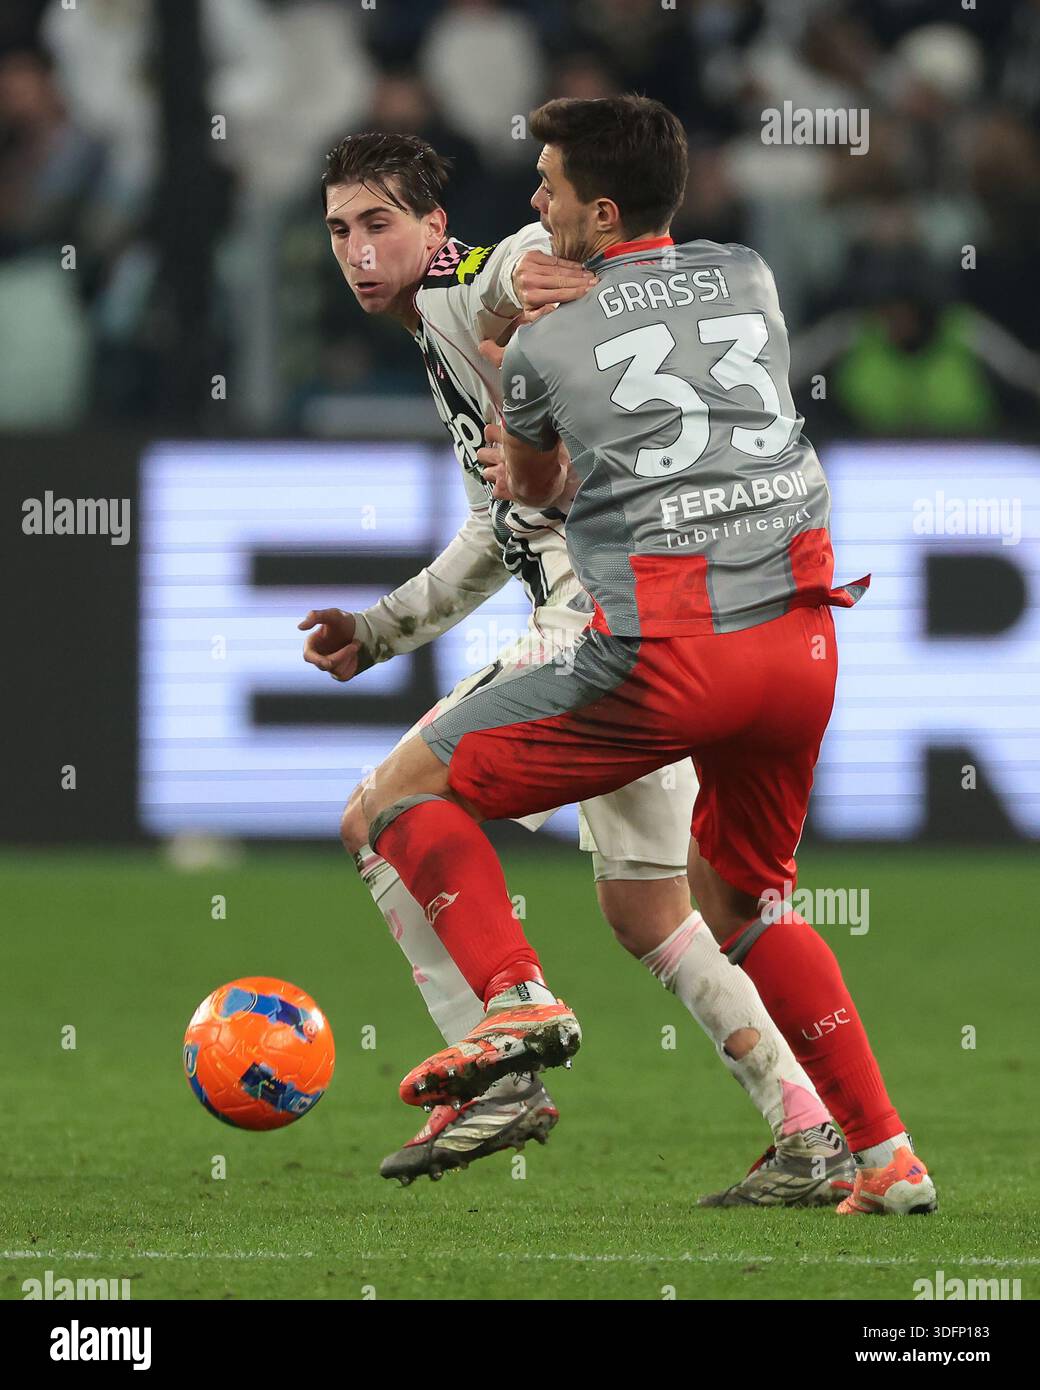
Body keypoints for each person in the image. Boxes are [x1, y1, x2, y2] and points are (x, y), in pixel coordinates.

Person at [355, 97, 937, 1217]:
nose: (534, 204)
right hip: (803, 639)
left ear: (599, 208)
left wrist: (502, 359)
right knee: (742, 907)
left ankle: (512, 1007)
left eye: (550, 187)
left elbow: (526, 497)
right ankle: (883, 1156)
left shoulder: (537, 341)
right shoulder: (751, 276)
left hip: (667, 653)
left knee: (397, 798)